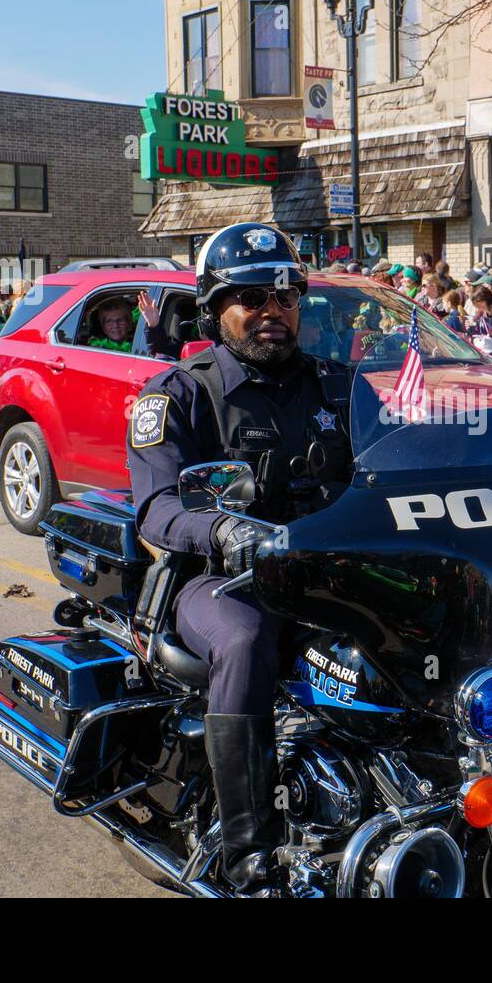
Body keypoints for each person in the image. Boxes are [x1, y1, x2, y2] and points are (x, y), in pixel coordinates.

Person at [127, 222, 351, 895]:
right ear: (213, 308)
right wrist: (223, 532)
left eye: (285, 297)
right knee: (249, 641)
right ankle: (249, 857)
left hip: (324, 569)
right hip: (222, 582)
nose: (272, 312)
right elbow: (156, 510)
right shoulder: (177, 394)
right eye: (250, 298)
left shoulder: (338, 387)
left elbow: (393, 470)